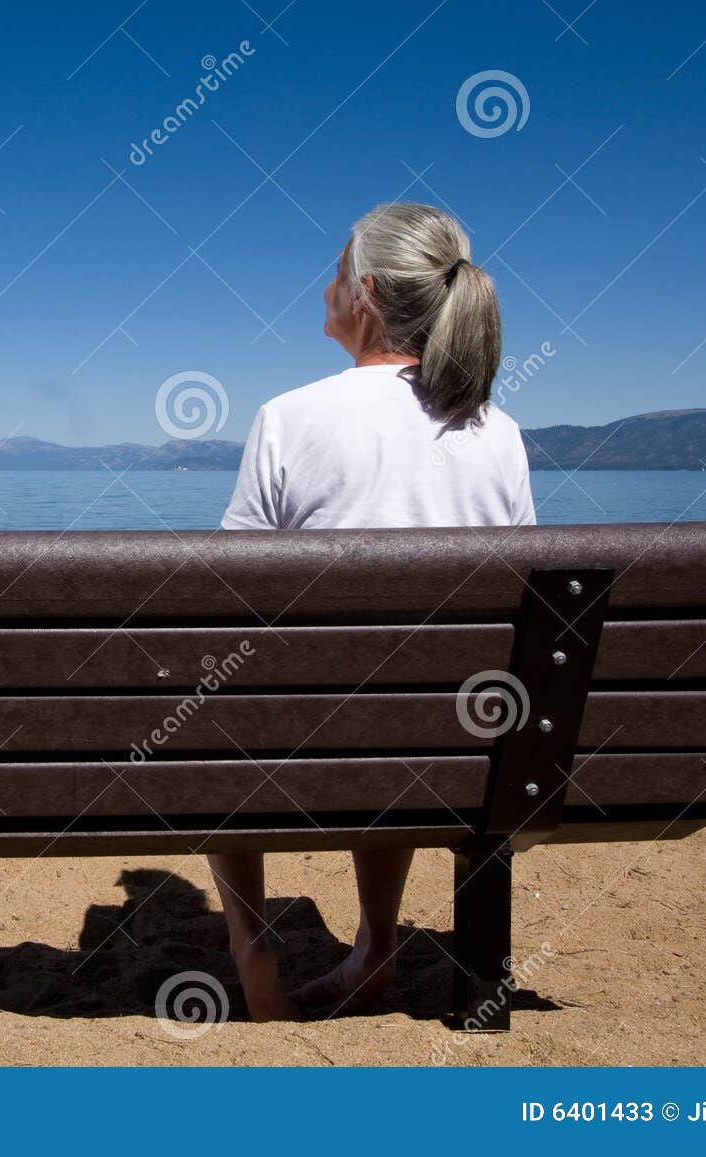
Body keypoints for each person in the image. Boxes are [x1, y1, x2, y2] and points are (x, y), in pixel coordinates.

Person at [214, 201, 535, 1020]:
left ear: (362, 292)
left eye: (332, 271)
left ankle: (255, 959)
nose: (322, 288)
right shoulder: (497, 432)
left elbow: (224, 601)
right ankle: (377, 946)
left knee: (207, 713)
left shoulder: (289, 418)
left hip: (303, 748)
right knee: (402, 683)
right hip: (462, 749)